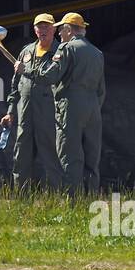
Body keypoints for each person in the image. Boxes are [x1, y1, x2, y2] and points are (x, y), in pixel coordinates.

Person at [0, 13, 66, 189]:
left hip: (49, 113)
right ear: (34, 30)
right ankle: (22, 200)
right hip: (25, 114)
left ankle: (58, 198)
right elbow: (15, 85)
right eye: (39, 27)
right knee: (21, 155)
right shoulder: (26, 52)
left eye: (47, 27)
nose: (43, 30)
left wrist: (25, 71)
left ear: (54, 29)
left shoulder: (60, 52)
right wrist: (10, 112)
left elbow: (50, 77)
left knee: (52, 156)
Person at [52, 12, 106, 194]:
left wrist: (28, 71)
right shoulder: (97, 53)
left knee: (69, 154)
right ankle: (91, 198)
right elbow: (101, 90)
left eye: (60, 30)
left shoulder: (66, 49)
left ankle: (72, 202)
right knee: (92, 156)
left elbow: (53, 75)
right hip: (93, 108)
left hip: (71, 105)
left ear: (69, 30)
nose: (59, 34)